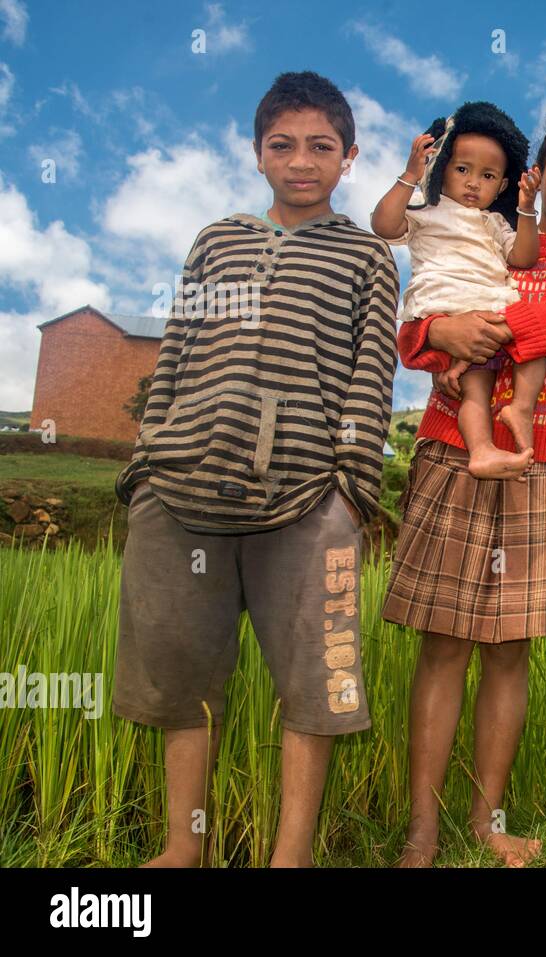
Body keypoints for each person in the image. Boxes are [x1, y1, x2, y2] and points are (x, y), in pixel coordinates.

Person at [111, 71, 398, 867]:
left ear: (348, 157)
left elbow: (370, 377)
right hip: (180, 488)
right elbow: (173, 355)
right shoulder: (217, 240)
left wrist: (350, 493)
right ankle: (182, 848)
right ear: (256, 152)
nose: (300, 161)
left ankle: (291, 856)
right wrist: (144, 463)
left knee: (318, 684)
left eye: (320, 147)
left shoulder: (367, 257)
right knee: (182, 680)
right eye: (283, 145)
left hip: (309, 498)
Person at [381, 114, 546, 868]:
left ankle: (484, 818)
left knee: (510, 649)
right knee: (444, 644)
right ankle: (421, 831)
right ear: (536, 175)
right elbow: (419, 314)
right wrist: (433, 331)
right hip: (455, 445)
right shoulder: (481, 230)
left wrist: (478, 327)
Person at [371, 101, 544, 481]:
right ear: (442, 168)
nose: (472, 182)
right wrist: (409, 175)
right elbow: (383, 225)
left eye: (486, 176)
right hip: (447, 307)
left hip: (493, 307)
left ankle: (521, 408)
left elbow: (524, 257)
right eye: (462, 169)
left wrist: (527, 208)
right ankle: (481, 449)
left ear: (500, 185)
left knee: (536, 343)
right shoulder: (425, 212)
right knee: (475, 392)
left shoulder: (494, 222)